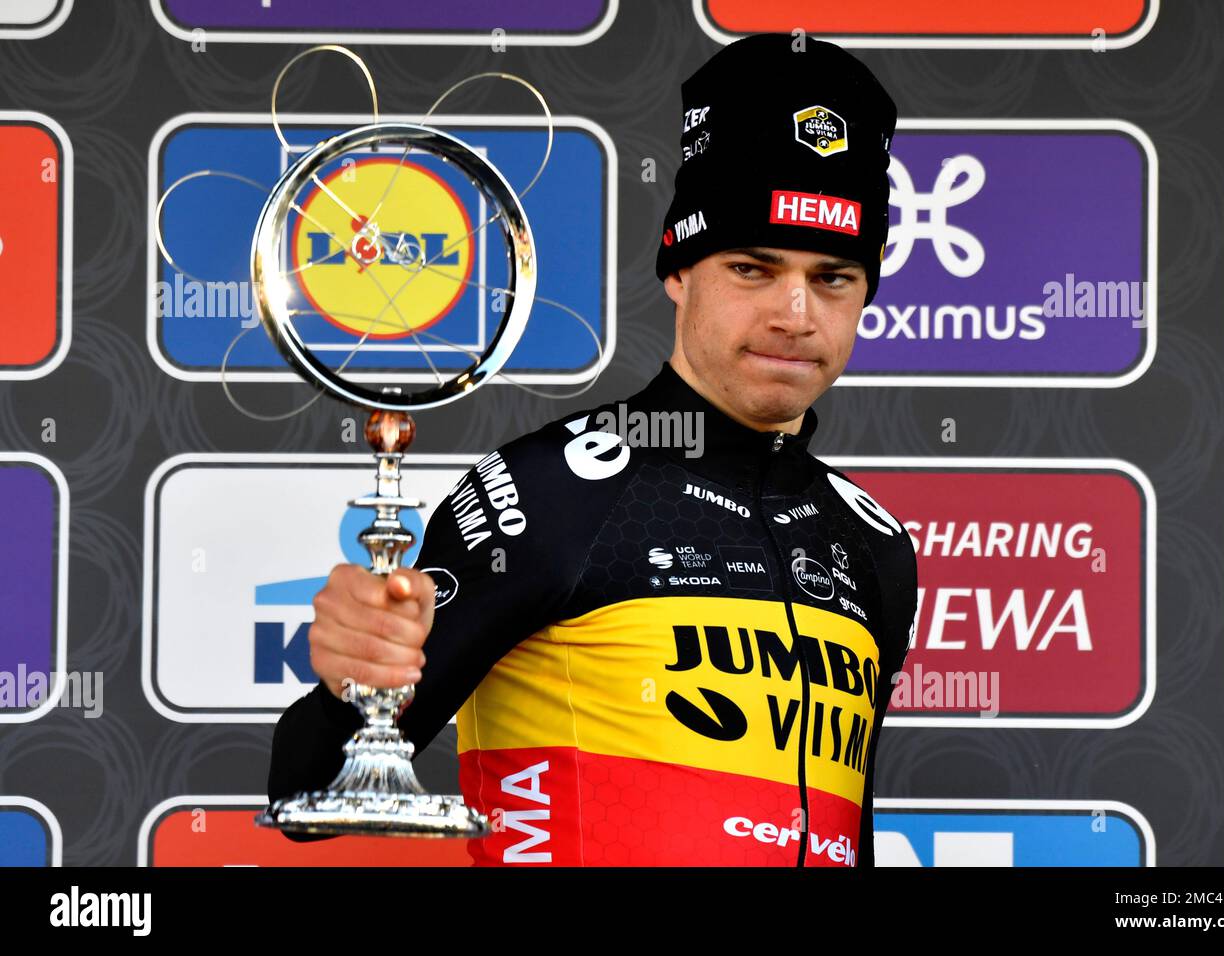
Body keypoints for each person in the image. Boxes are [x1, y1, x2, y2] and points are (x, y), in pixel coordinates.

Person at [267, 31, 917, 868]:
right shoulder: (549, 492)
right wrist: (354, 680)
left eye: (833, 277)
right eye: (754, 268)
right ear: (678, 269)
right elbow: (304, 791)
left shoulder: (874, 545)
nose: (796, 313)